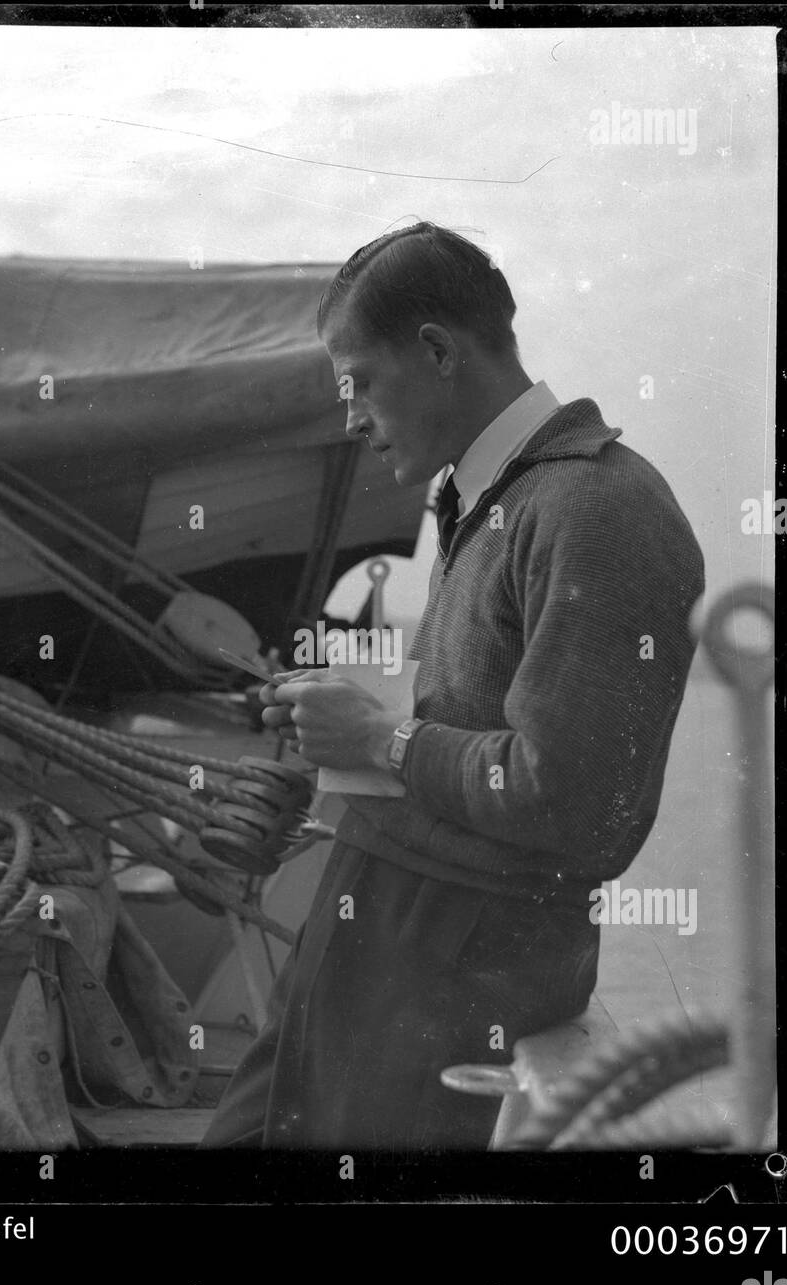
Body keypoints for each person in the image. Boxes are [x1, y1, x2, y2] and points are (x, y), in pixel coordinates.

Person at [202, 222, 704, 1151]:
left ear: (436, 350)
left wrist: (377, 741)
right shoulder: (488, 499)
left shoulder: (596, 508)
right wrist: (354, 709)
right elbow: (483, 717)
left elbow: (578, 804)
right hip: (376, 927)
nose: (349, 415)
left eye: (358, 379)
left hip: (454, 960)